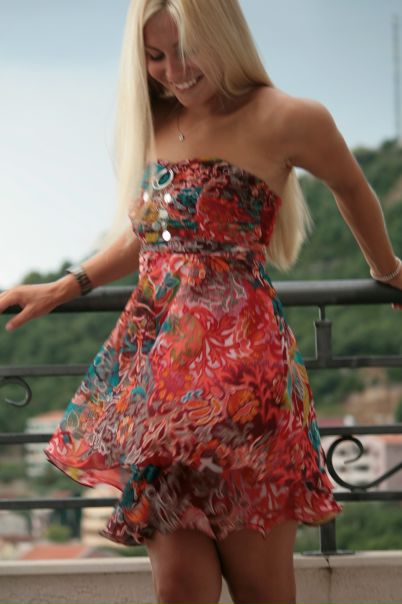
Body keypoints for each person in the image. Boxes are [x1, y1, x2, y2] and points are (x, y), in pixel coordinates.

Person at [1, 1, 401, 602]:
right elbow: (152, 234)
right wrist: (67, 285)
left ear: (224, 35)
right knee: (179, 590)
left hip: (243, 386)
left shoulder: (289, 117)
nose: (173, 71)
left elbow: (352, 187)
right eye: (155, 56)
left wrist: (388, 270)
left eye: (186, 50)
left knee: (262, 591)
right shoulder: (157, 120)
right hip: (158, 389)